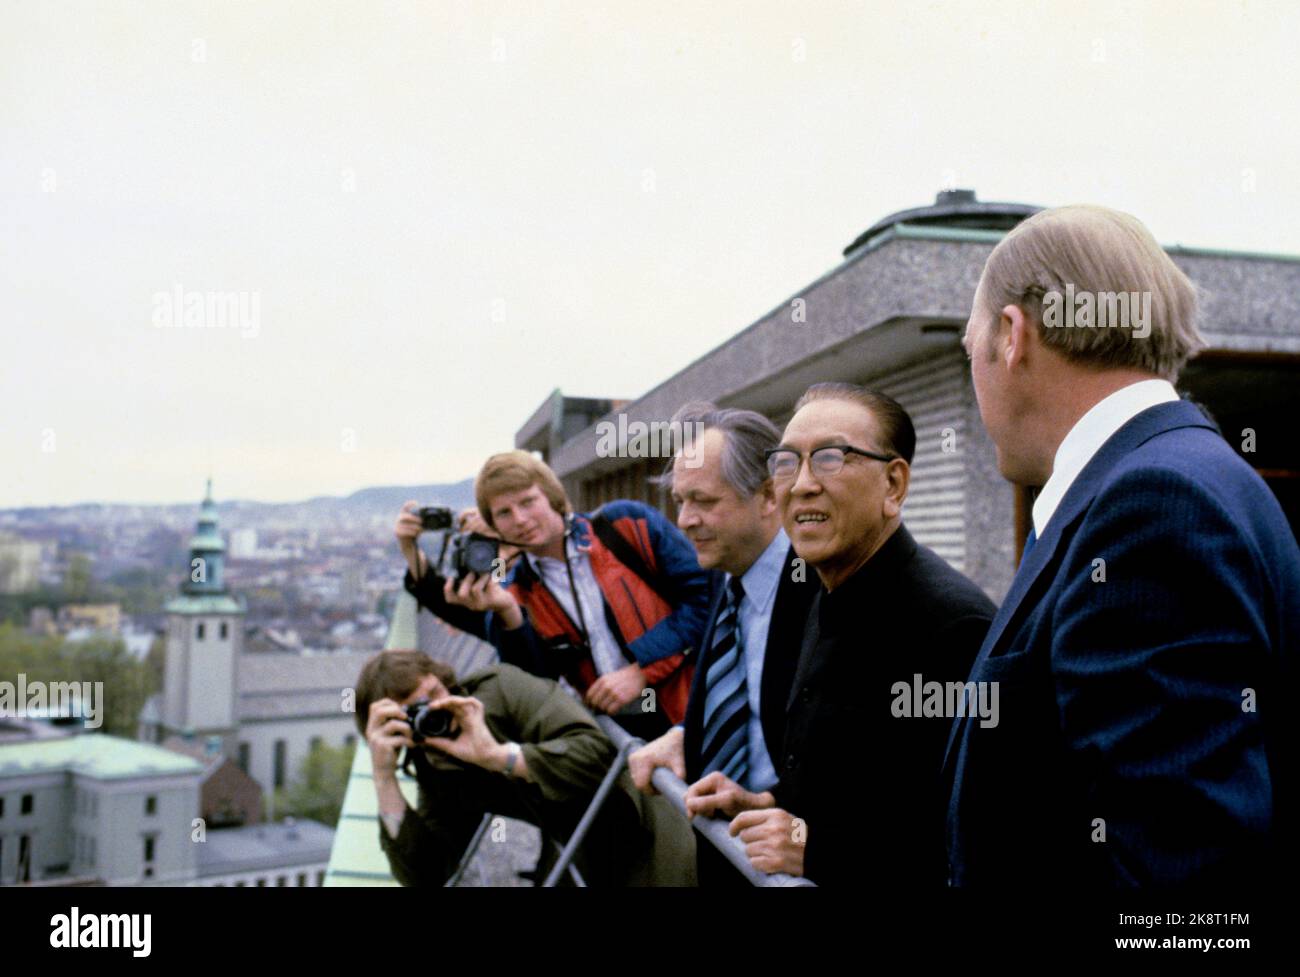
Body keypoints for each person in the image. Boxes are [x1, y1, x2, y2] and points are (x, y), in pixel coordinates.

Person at [946, 204, 1300, 887]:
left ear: (1013, 335)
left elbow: (1178, 897)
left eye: (970, 350)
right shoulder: (1186, 476)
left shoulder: (1152, 507)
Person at [682, 383, 995, 886]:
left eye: (830, 459)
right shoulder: (825, 592)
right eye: (786, 462)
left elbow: (971, 839)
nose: (801, 484)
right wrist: (767, 802)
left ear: (893, 486)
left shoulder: (951, 626)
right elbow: (853, 786)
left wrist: (815, 847)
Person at [627, 403, 818, 884]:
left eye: (703, 501)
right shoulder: (729, 580)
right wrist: (684, 737)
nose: (685, 520)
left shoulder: (823, 593)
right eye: (679, 501)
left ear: (769, 496)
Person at [397, 450, 714, 734]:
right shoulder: (517, 589)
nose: (520, 519)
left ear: (550, 496)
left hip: (701, 709)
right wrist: (507, 612)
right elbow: (536, 682)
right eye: (504, 513)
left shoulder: (625, 525)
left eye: (528, 502)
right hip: (626, 734)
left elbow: (707, 600)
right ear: (493, 525)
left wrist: (642, 670)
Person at [358, 649, 647, 886]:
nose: (437, 709)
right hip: (592, 843)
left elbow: (598, 755)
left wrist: (498, 757)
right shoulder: (436, 762)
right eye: (416, 712)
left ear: (441, 678)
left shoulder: (501, 688)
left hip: (643, 811)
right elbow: (428, 874)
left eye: (435, 692)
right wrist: (384, 779)